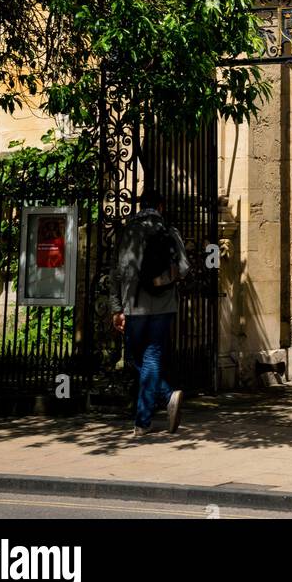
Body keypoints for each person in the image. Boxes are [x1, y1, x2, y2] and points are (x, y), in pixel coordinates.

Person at [109, 187, 190, 436]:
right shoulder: (169, 231)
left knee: (135, 357)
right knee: (151, 356)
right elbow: (185, 268)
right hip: (164, 306)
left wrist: (116, 308)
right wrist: (165, 279)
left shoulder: (128, 232)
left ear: (140, 205)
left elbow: (117, 273)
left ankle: (143, 420)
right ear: (161, 206)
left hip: (134, 305)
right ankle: (167, 396)